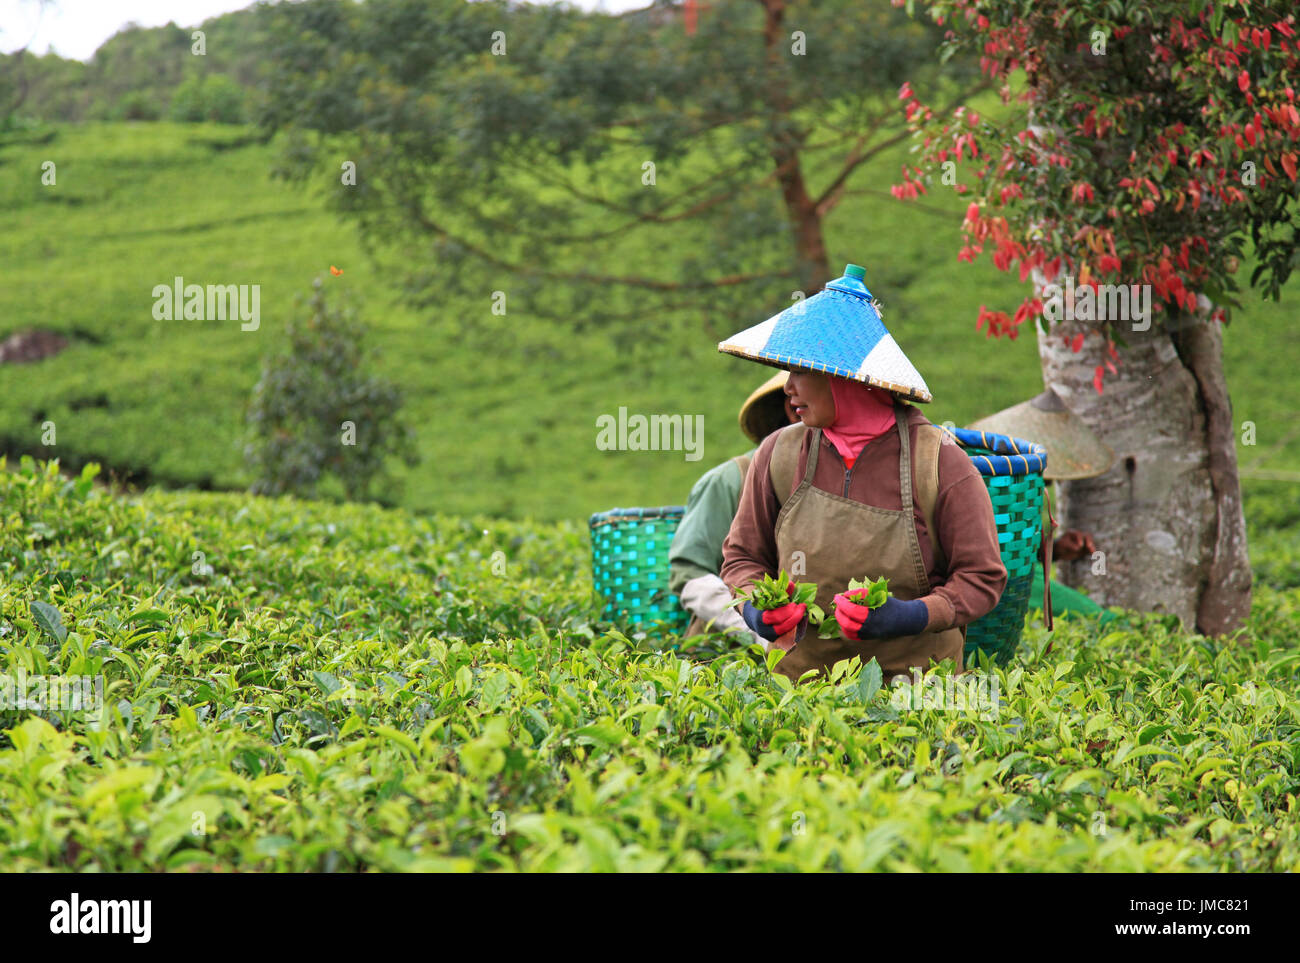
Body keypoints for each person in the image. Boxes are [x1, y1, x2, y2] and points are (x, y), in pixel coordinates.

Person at [719, 264, 1008, 683]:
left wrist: (910, 615)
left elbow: (982, 578)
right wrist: (753, 607)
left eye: (801, 370)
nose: (787, 387)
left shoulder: (941, 463)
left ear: (847, 377)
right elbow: (742, 557)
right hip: (801, 696)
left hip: (916, 700)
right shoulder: (778, 454)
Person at [966, 387, 1120, 625]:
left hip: (1008, 576)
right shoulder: (1001, 491)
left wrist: (1054, 550)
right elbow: (1002, 556)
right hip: (1008, 581)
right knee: (1106, 621)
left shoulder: (1013, 488)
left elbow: (1012, 545)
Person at [669, 371, 798, 643]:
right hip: (727, 658)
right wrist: (756, 630)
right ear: (793, 409)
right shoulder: (729, 480)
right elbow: (689, 573)